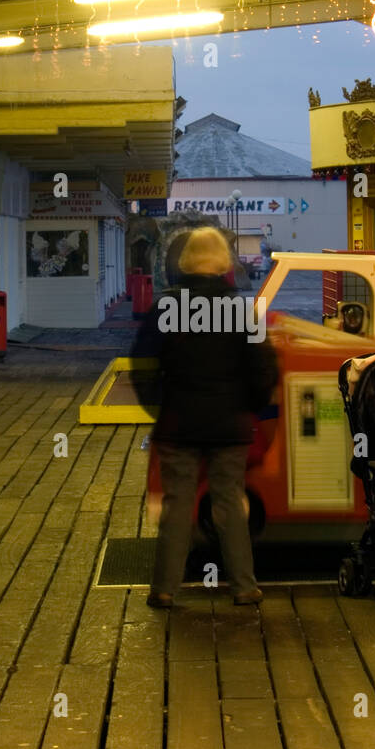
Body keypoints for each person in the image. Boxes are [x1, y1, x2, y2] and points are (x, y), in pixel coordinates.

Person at [132, 227, 279, 608]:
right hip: (229, 425)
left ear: (185, 261)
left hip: (178, 422)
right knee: (229, 501)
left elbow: (142, 366)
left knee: (178, 503)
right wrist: (247, 406)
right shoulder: (239, 310)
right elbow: (264, 369)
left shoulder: (166, 307)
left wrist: (160, 405)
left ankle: (164, 589)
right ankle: (244, 587)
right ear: (222, 262)